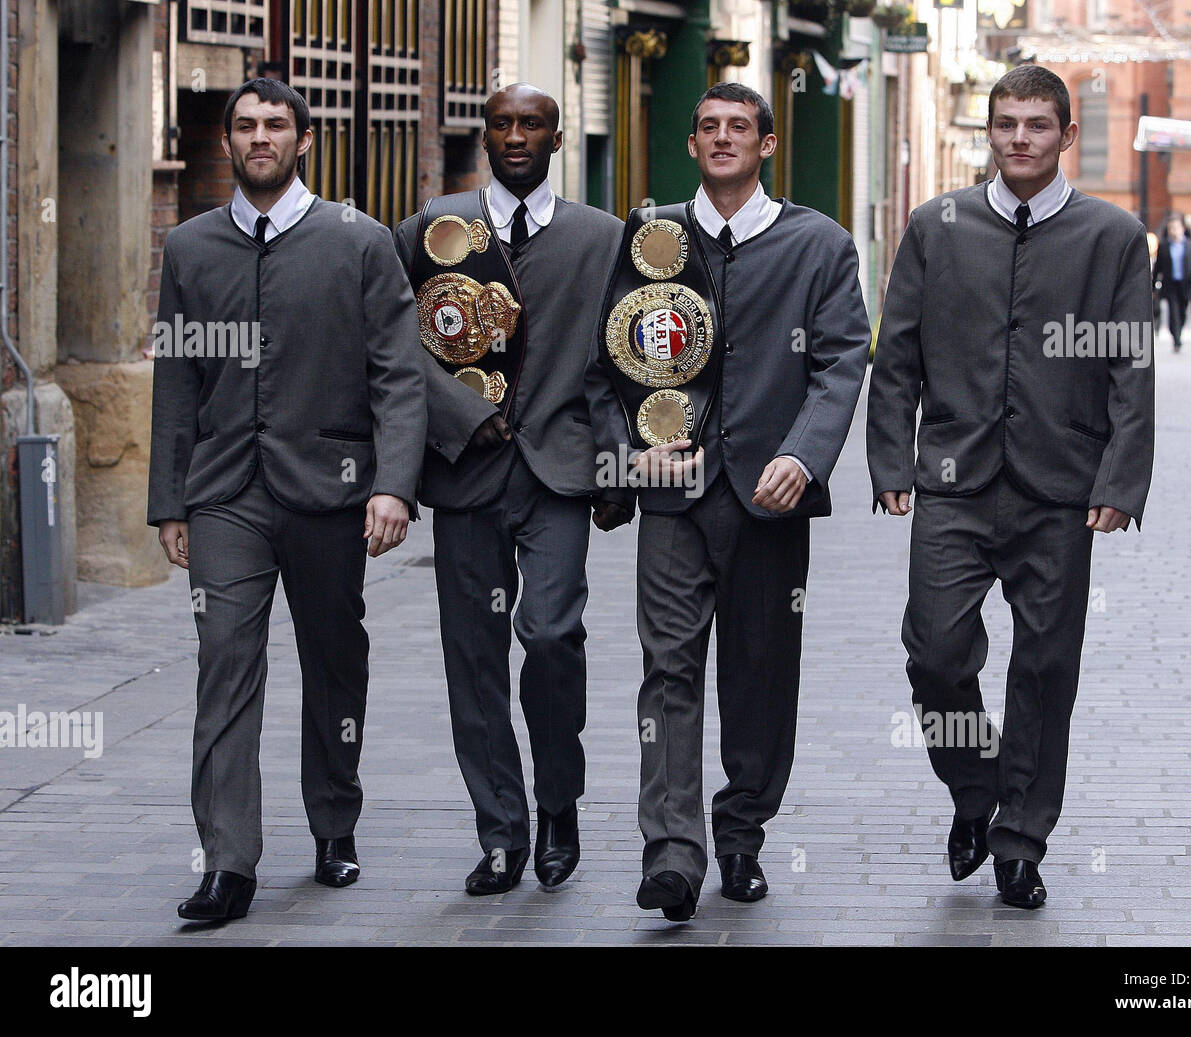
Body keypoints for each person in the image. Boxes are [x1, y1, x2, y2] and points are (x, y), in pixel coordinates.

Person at [866, 65, 1154, 910]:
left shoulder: (1112, 235)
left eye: (1037, 125)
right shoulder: (937, 224)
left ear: (1066, 135)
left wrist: (1121, 479)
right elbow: (899, 356)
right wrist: (892, 462)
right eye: (1006, 124)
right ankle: (975, 785)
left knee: (1045, 666)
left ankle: (1021, 839)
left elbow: (1132, 366)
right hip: (952, 482)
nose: (1020, 139)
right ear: (988, 133)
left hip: (1060, 488)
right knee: (936, 653)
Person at [586, 82, 871, 921]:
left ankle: (741, 832)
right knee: (667, 670)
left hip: (767, 499)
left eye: (738, 127)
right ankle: (672, 853)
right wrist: (632, 455)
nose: (721, 138)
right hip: (673, 497)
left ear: (768, 144)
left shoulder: (819, 245)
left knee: (758, 675)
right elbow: (605, 365)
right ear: (691, 144)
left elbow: (842, 361)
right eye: (707, 126)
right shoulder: (651, 235)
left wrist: (804, 455)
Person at [148, 79, 431, 921]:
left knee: (334, 658)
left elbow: (398, 374)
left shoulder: (358, 241)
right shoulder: (190, 247)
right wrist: (172, 500)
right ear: (227, 143)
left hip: (330, 492)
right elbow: (176, 378)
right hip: (226, 493)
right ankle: (229, 862)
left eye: (275, 125)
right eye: (245, 126)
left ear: (305, 140)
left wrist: (393, 486)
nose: (259, 137)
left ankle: (334, 822)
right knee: (224, 665)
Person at [393, 84, 631, 896]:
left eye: (533, 123)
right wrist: (461, 412)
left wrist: (617, 466)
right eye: (503, 124)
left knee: (554, 633)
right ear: (484, 135)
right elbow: (390, 342)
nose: (517, 135)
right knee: (474, 658)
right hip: (466, 473)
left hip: (560, 472)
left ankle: (558, 802)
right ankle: (500, 832)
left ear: (559, 138)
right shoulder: (432, 230)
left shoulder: (605, 237)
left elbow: (621, 361)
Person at [1153, 214, 1191, 352]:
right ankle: (1176, 339)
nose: (1173, 231)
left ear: (1182, 229)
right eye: (1170, 228)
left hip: (1186, 284)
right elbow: (1158, 267)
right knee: (1173, 312)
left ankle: (1179, 331)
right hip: (1170, 284)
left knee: (1183, 312)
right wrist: (1153, 284)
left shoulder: (1190, 244)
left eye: (1175, 228)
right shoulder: (1164, 245)